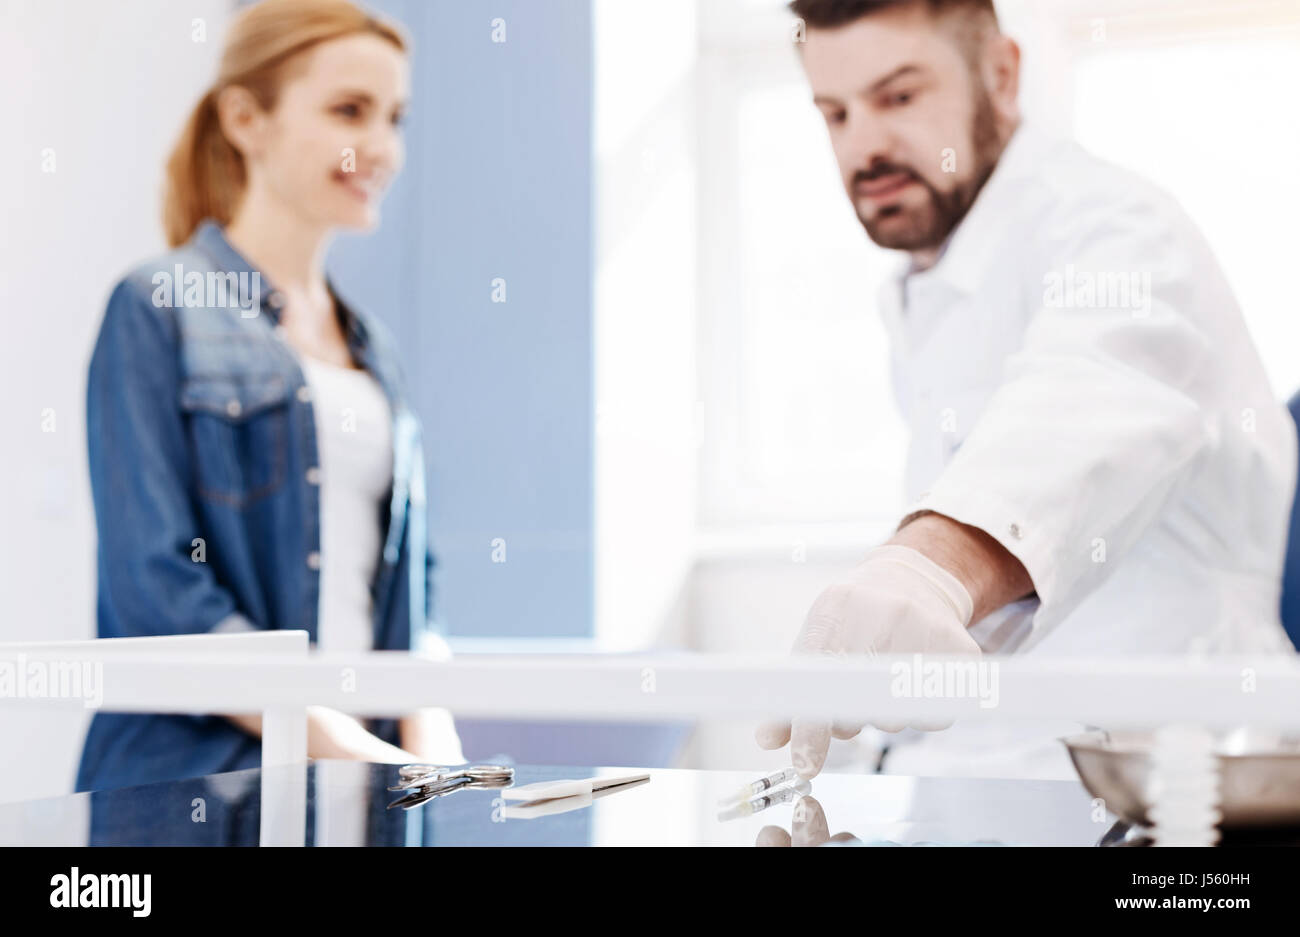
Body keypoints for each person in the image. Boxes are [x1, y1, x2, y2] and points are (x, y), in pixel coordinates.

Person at [756, 0, 1296, 779]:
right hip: (986, 772)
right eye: (835, 113)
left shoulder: (1117, 227)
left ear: (1003, 75)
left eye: (899, 96)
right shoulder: (926, 284)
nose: (863, 144)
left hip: (1171, 786)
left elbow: (1087, 399)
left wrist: (925, 567)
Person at [77, 0, 463, 794]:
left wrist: (438, 761)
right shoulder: (155, 308)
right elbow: (156, 588)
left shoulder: (373, 348)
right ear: (246, 119)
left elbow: (412, 595)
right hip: (203, 789)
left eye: (395, 117)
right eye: (349, 110)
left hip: (365, 791)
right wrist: (352, 749)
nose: (383, 146)